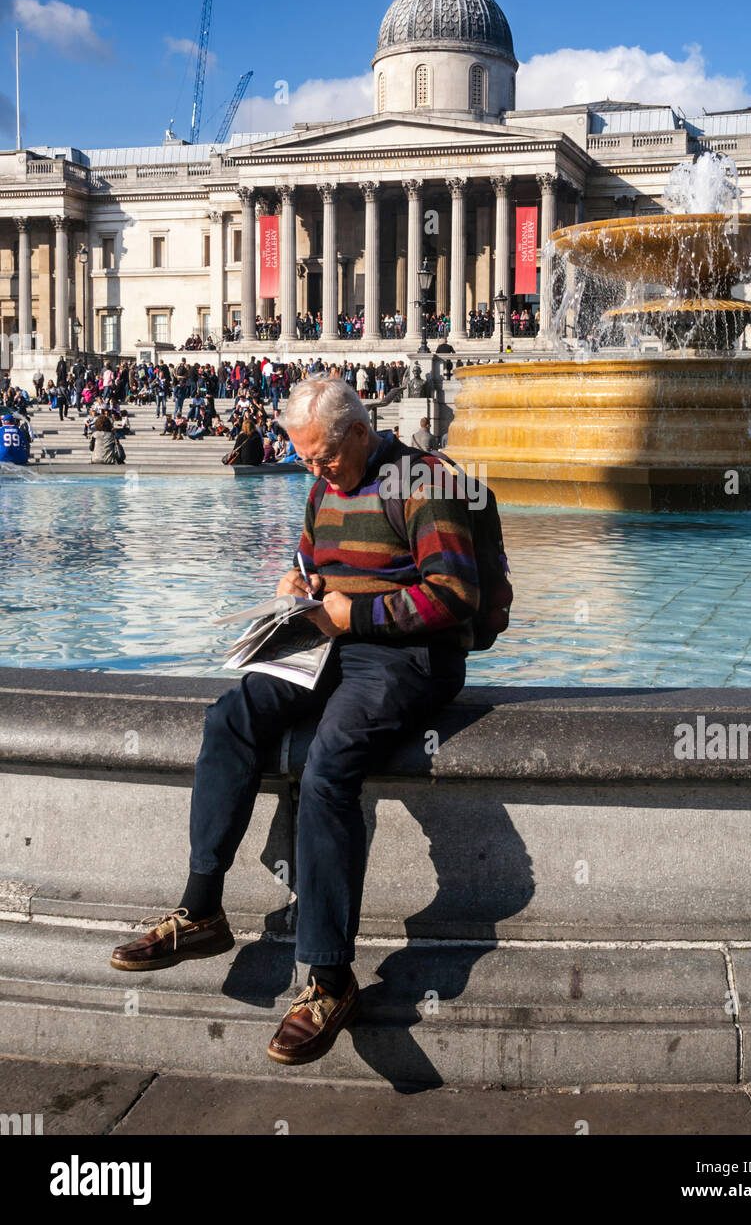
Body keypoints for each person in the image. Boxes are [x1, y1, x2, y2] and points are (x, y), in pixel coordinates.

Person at [109, 378, 478, 1066]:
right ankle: (200, 912)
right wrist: (297, 587)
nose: (315, 472)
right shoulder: (322, 483)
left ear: (361, 434)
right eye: (305, 459)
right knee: (230, 716)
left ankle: (330, 982)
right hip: (327, 643)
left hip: (408, 658)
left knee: (329, 763)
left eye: (324, 459)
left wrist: (354, 614)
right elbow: (314, 562)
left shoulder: (426, 481)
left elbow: (455, 596)